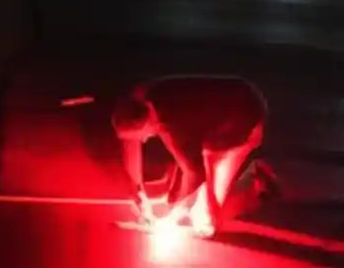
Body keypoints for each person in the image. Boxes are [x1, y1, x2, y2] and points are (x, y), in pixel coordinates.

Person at [111, 75, 279, 237]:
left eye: (143, 136)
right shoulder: (138, 101)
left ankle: (251, 186)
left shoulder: (172, 122)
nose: (144, 140)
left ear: (152, 122)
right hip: (227, 104)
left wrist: (173, 216)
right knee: (189, 194)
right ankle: (239, 185)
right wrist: (138, 193)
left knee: (205, 218)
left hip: (243, 112)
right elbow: (130, 141)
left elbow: (195, 171)